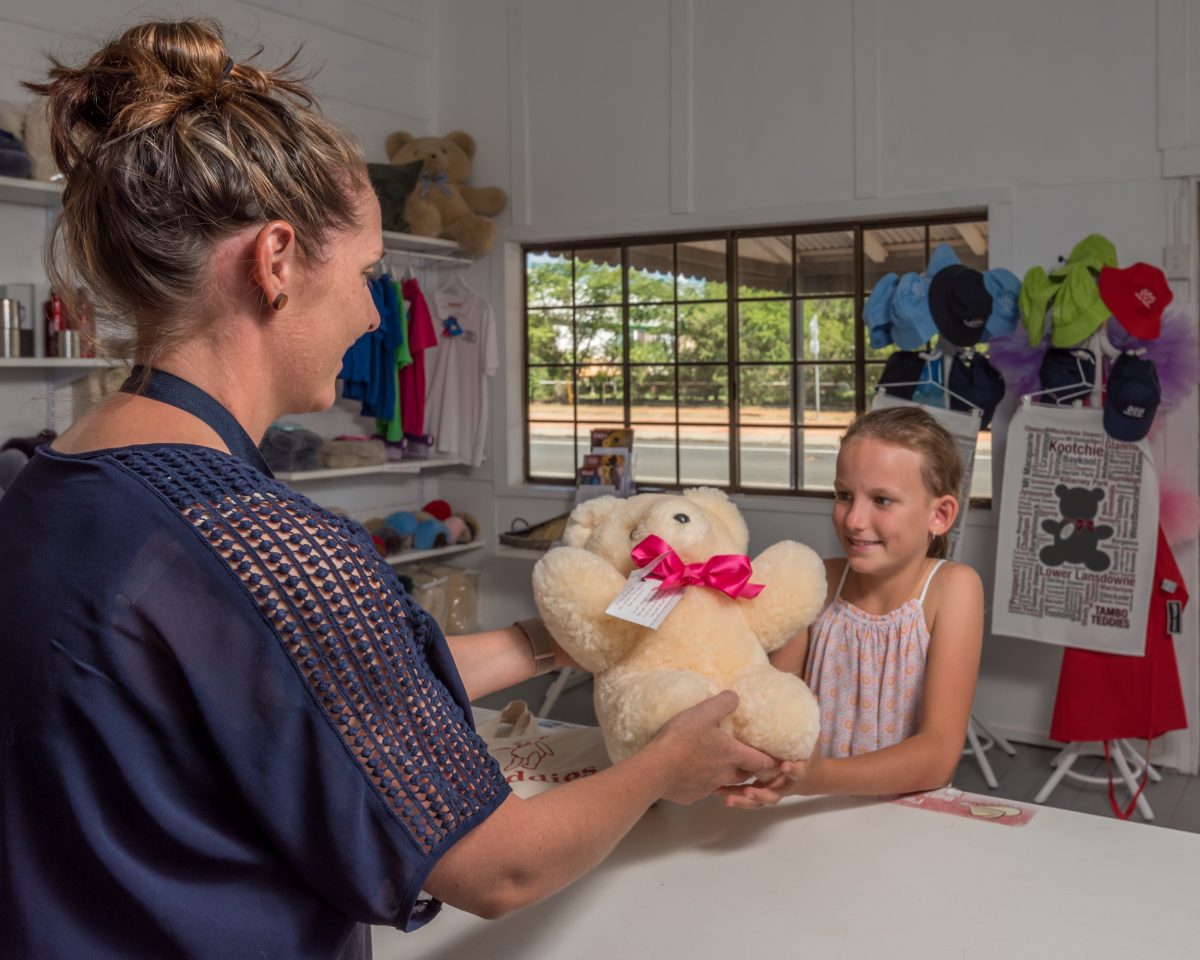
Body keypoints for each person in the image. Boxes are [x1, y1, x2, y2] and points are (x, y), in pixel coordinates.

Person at [0, 20, 774, 960]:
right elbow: (499, 868)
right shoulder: (266, 545)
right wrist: (664, 767)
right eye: (368, 273)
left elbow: (308, 683)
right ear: (276, 262)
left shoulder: (48, 478)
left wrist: (555, 639)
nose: (374, 314)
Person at [722, 405, 984, 808]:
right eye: (845, 495)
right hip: (808, 807)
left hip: (903, 817)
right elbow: (770, 705)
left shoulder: (953, 589)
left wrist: (819, 777)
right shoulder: (817, 582)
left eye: (882, 500)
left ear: (940, 514)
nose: (854, 520)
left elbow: (938, 754)